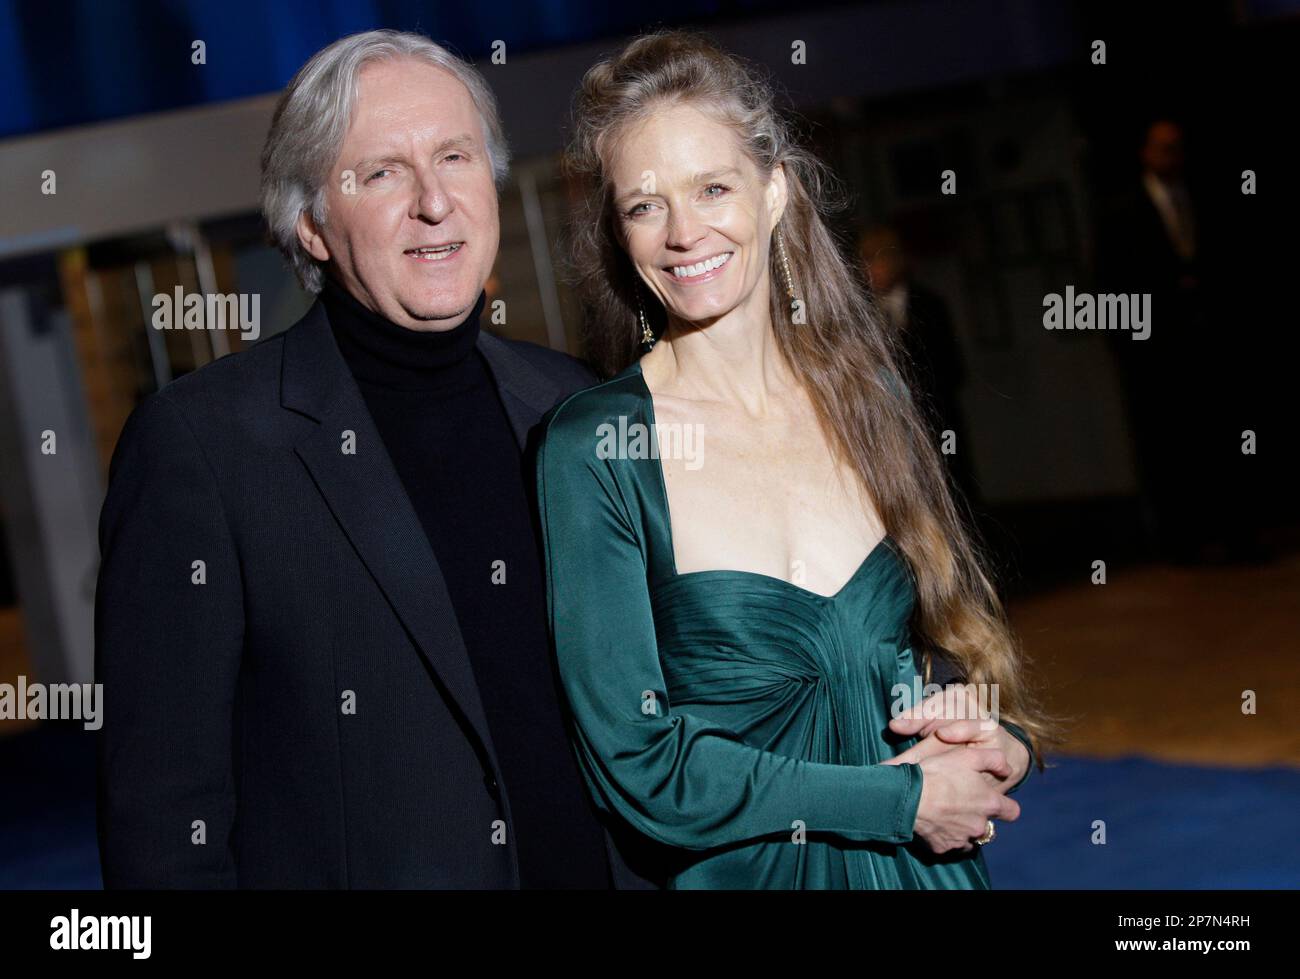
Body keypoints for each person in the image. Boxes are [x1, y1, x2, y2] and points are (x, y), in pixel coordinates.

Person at [95, 29, 639, 888]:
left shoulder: (570, 402)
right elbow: (164, 818)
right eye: (382, 172)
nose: (435, 201)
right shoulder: (203, 446)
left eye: (456, 157)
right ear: (310, 222)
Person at [536, 31, 1051, 889]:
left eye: (712, 187)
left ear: (774, 192)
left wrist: (999, 737)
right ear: (618, 231)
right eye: (644, 205)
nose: (684, 232)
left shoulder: (865, 394)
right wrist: (898, 802)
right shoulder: (595, 448)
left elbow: (943, 644)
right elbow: (639, 763)